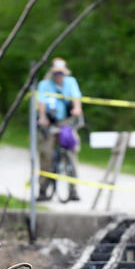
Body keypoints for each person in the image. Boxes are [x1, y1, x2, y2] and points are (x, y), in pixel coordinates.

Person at [36, 57, 83, 201]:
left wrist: (76, 109)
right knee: (46, 155)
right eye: (56, 73)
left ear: (65, 72)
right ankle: (43, 190)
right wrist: (42, 117)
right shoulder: (44, 84)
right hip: (49, 123)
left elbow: (76, 99)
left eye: (61, 73)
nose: (59, 76)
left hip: (67, 122)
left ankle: (73, 191)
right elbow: (42, 103)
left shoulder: (71, 82)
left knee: (72, 152)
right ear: (52, 72)